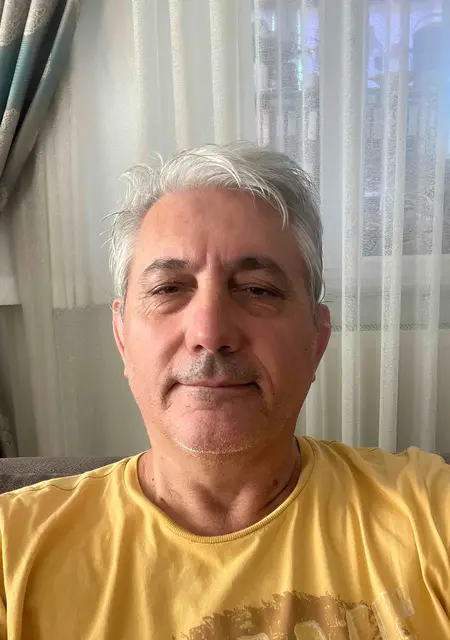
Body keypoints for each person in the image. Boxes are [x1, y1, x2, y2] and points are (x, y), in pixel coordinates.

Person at [0, 143, 449, 639]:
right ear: (122, 337)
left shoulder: (430, 514)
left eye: (257, 289)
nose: (210, 332)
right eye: (169, 288)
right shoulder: (11, 548)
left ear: (317, 340)